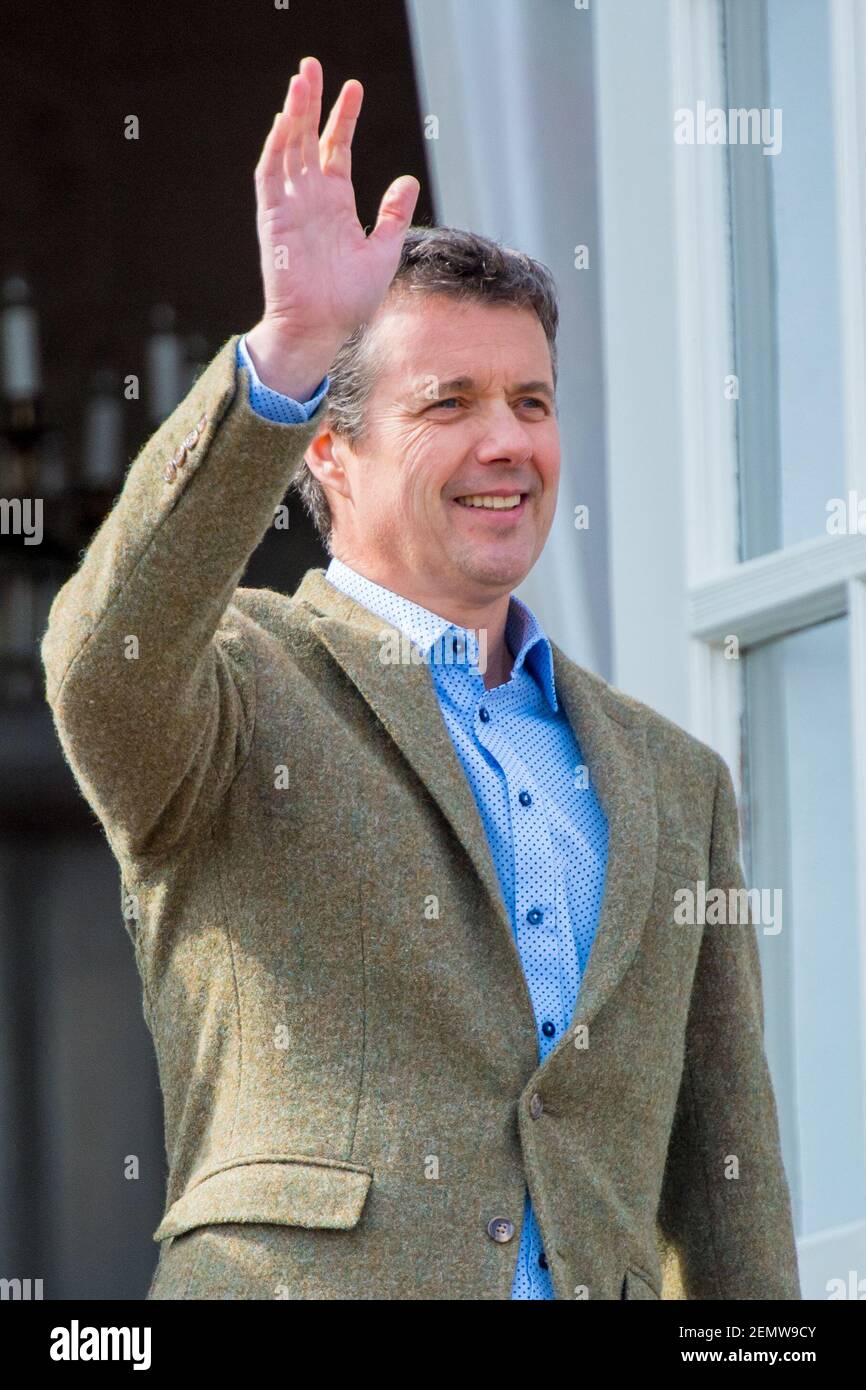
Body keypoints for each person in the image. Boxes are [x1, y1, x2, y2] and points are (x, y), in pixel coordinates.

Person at [42, 55, 800, 1300]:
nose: (506, 441)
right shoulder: (234, 686)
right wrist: (287, 349)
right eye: (447, 402)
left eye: (531, 401)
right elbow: (96, 662)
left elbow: (726, 1183)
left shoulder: (675, 781)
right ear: (329, 450)